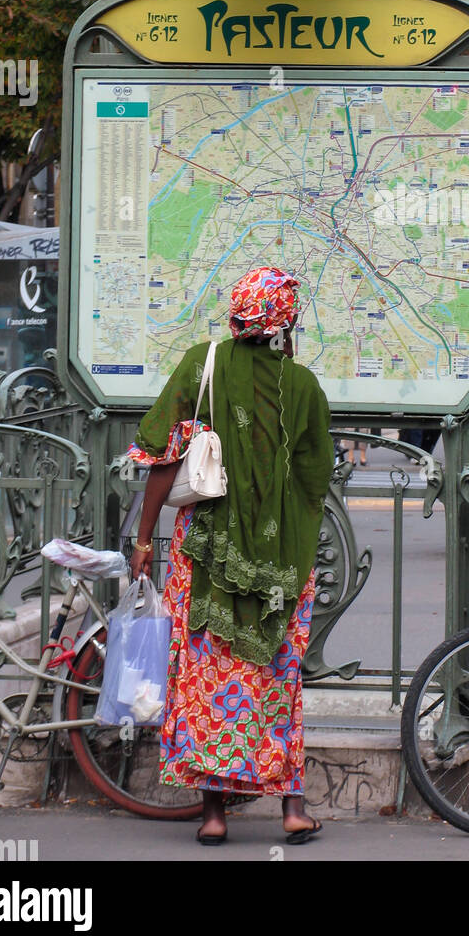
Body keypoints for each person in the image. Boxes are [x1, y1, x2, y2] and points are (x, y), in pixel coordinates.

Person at [126, 267, 334, 847]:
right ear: (284, 322)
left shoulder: (203, 364)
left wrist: (145, 540)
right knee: (277, 679)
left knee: (202, 680)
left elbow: (163, 457)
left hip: (205, 559)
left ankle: (213, 814)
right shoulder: (304, 386)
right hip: (281, 565)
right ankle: (291, 808)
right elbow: (317, 478)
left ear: (239, 314)